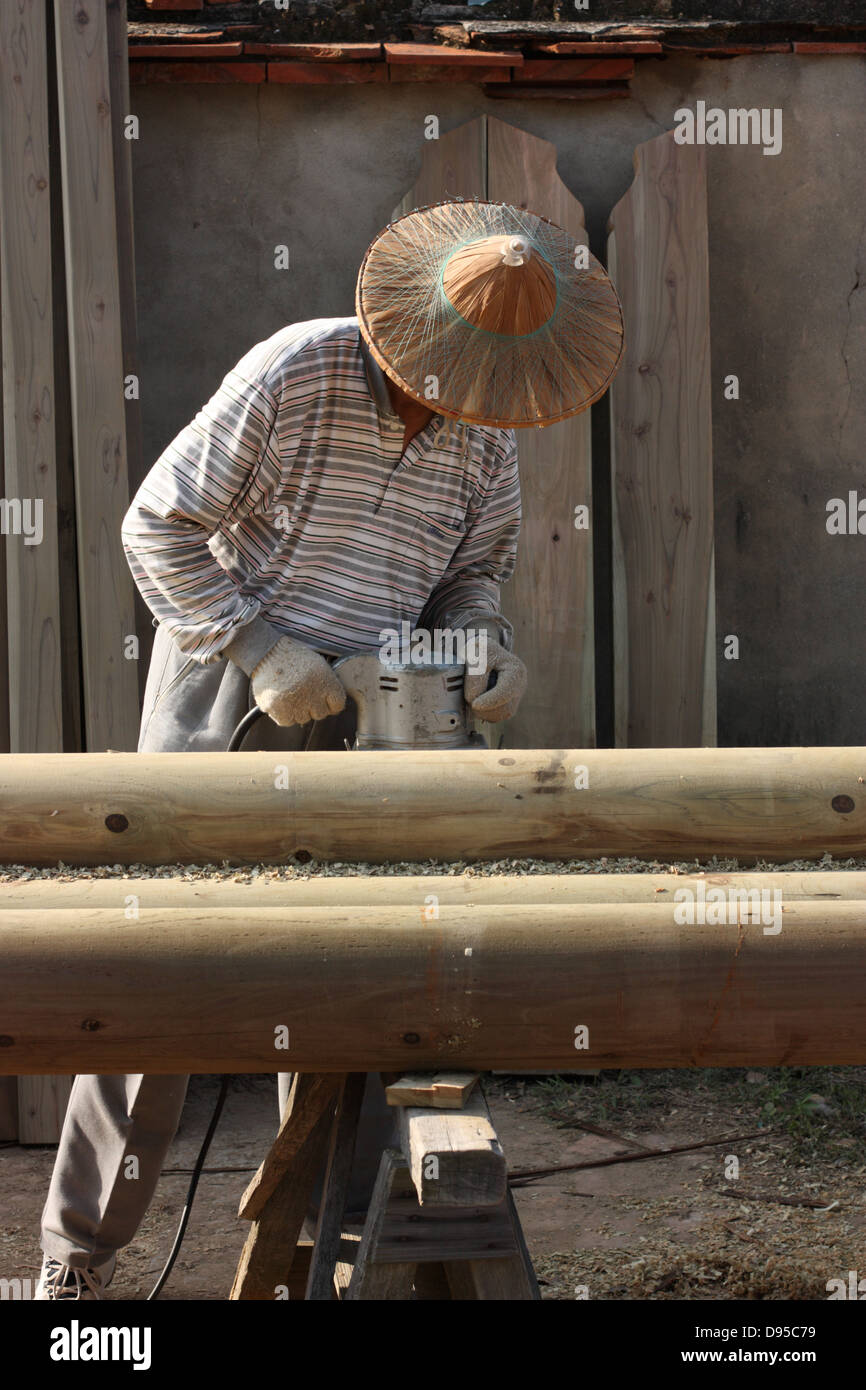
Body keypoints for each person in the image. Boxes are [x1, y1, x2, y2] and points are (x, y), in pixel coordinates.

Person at [35, 198, 623, 1298]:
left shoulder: (486, 425)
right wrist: (261, 647)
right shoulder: (294, 371)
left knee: (341, 974)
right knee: (152, 976)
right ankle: (76, 1256)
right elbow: (153, 524)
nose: (459, 404)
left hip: (383, 723)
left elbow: (471, 569)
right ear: (410, 329)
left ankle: (316, 1236)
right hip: (230, 695)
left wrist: (487, 641)